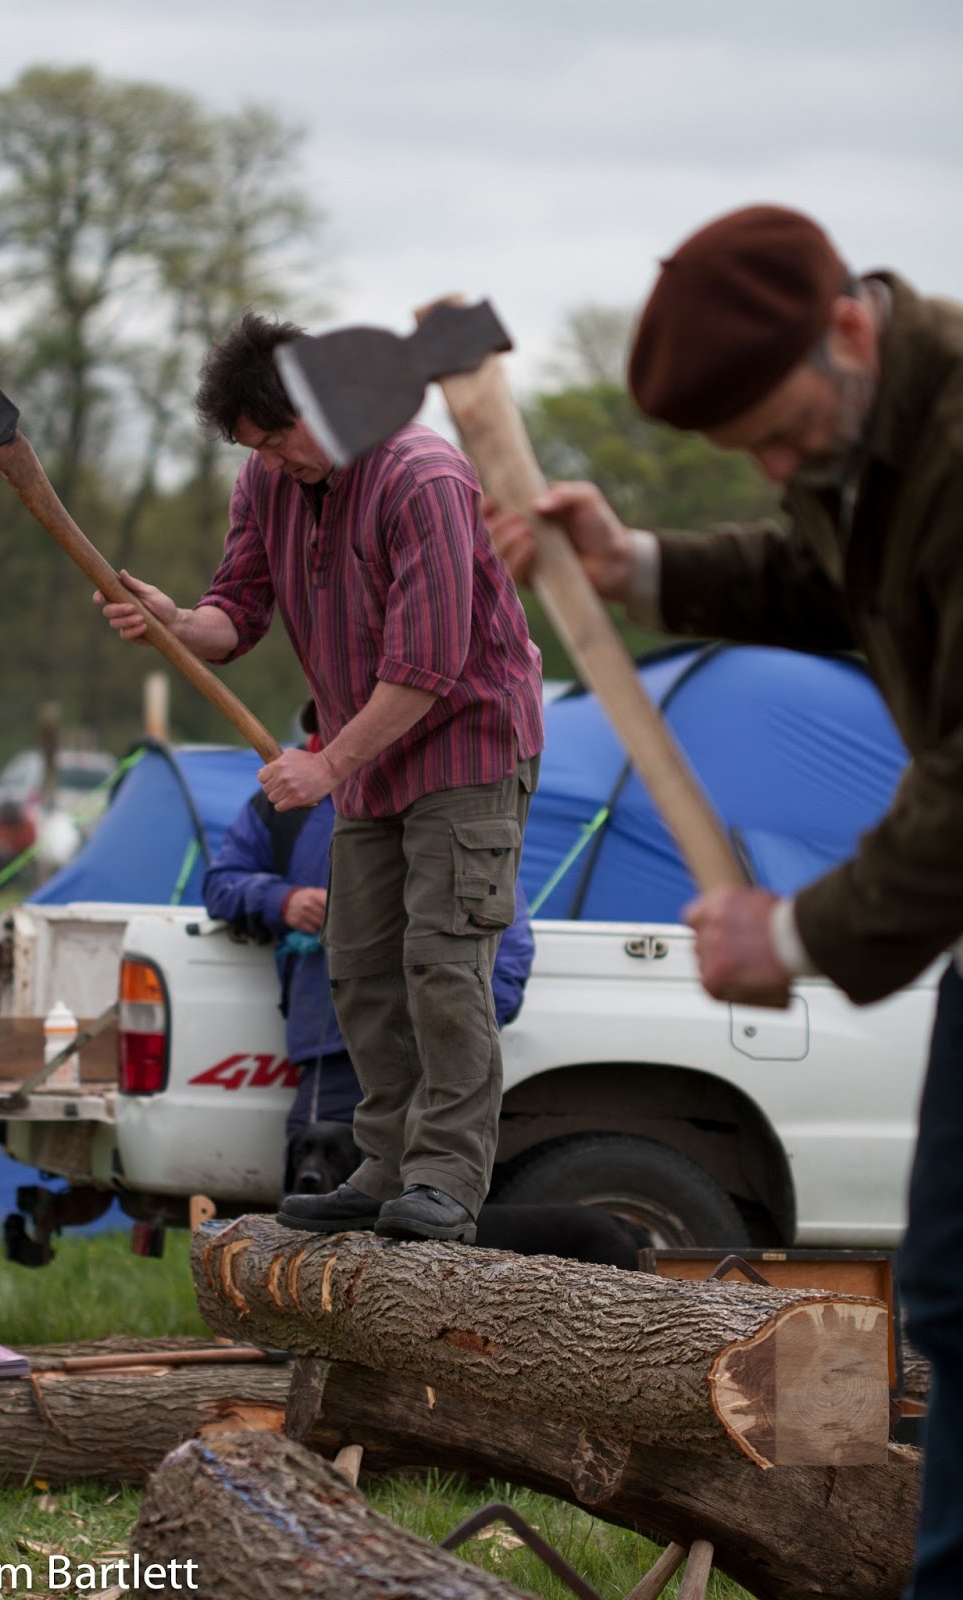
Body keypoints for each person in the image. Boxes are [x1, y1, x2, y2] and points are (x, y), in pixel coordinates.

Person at [486, 203, 963, 1600]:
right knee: (948, 1291)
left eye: (775, 434)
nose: (772, 467)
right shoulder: (879, 433)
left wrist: (801, 933)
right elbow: (829, 578)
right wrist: (638, 566)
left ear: (851, 327)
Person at [97, 311, 544, 1245]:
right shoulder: (267, 480)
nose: (269, 458)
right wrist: (174, 621)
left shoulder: (423, 479)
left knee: (443, 964)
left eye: (275, 437)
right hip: (369, 753)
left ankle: (447, 1183)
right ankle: (383, 1167)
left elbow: (425, 668)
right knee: (363, 965)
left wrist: (326, 764)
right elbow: (235, 616)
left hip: (463, 745)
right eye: (253, 446)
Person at [202, 698, 536, 1191]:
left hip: (433, 1061)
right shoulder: (282, 804)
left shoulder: (437, 799)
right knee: (315, 1196)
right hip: (332, 1046)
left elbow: (504, 938)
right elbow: (220, 884)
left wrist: (454, 1029)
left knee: (416, 1203)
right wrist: (283, 900)